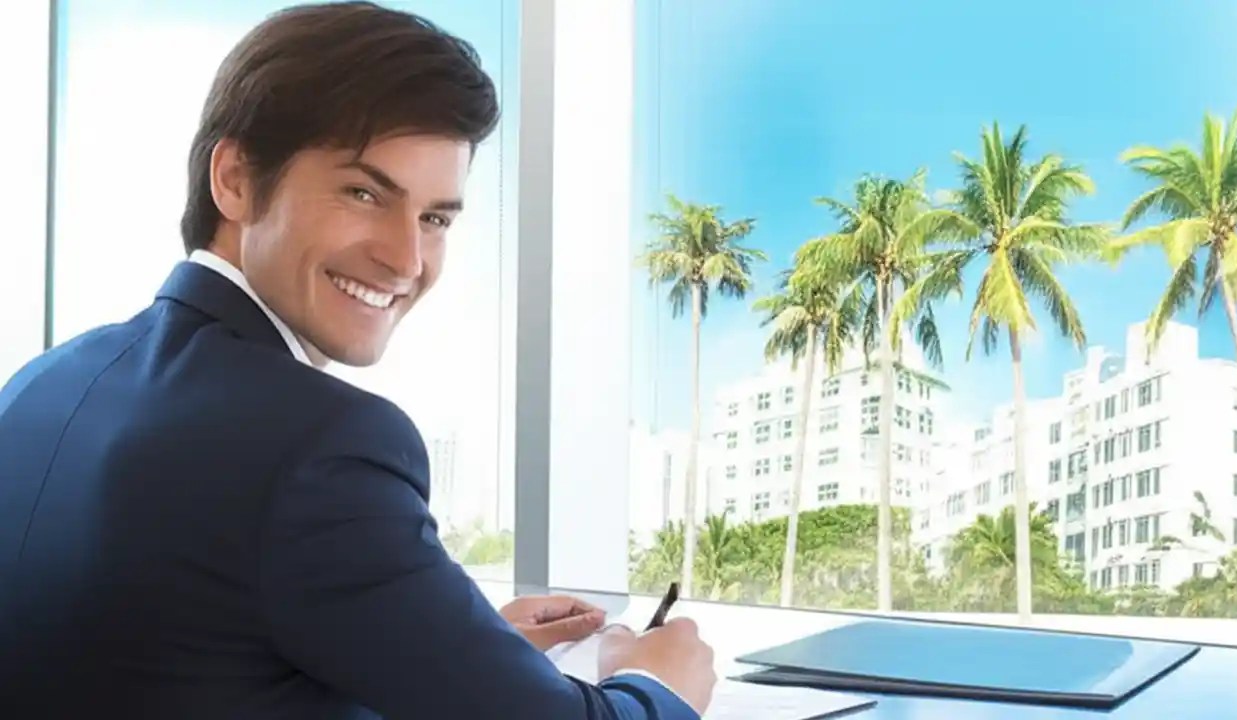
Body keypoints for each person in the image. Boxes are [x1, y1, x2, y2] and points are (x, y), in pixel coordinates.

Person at [0, 2, 716, 718]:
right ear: (236, 179)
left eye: (435, 218)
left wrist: (448, 651)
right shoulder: (320, 446)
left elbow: (177, 656)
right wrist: (657, 683)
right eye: (365, 193)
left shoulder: (41, 386)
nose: (406, 258)